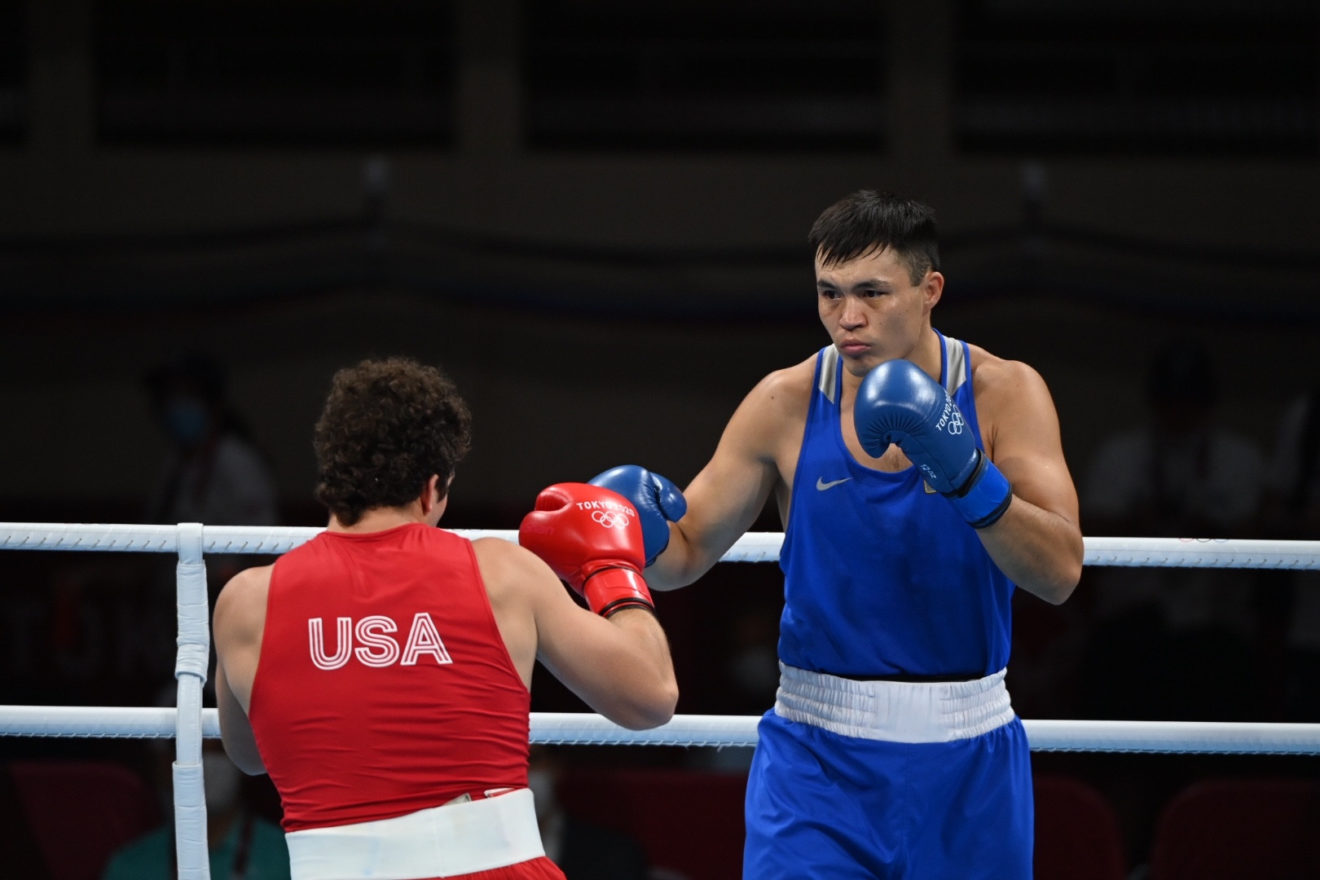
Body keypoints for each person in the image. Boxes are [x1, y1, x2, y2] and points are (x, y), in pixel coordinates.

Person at [587, 191, 1084, 879]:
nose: (847, 318)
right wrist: (628, 531)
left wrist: (967, 474)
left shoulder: (1005, 393)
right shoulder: (783, 403)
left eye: (873, 293)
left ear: (929, 289)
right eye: (830, 294)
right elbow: (686, 553)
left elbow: (1059, 574)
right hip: (816, 763)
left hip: (968, 761)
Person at [211, 357, 678, 880]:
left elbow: (248, 755)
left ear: (334, 476)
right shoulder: (502, 573)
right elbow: (652, 696)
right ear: (432, 488)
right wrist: (611, 569)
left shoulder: (245, 603)